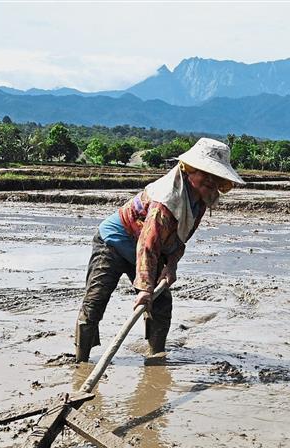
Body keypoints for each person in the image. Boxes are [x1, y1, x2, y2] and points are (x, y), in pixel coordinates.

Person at [75, 138, 244, 362]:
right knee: (95, 301)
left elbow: (180, 239)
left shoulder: (199, 201)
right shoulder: (166, 200)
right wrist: (145, 289)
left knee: (162, 303)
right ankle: (81, 361)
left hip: (148, 250)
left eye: (216, 177)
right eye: (206, 174)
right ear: (190, 170)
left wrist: (171, 266)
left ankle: (155, 356)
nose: (211, 181)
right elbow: (148, 244)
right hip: (114, 243)